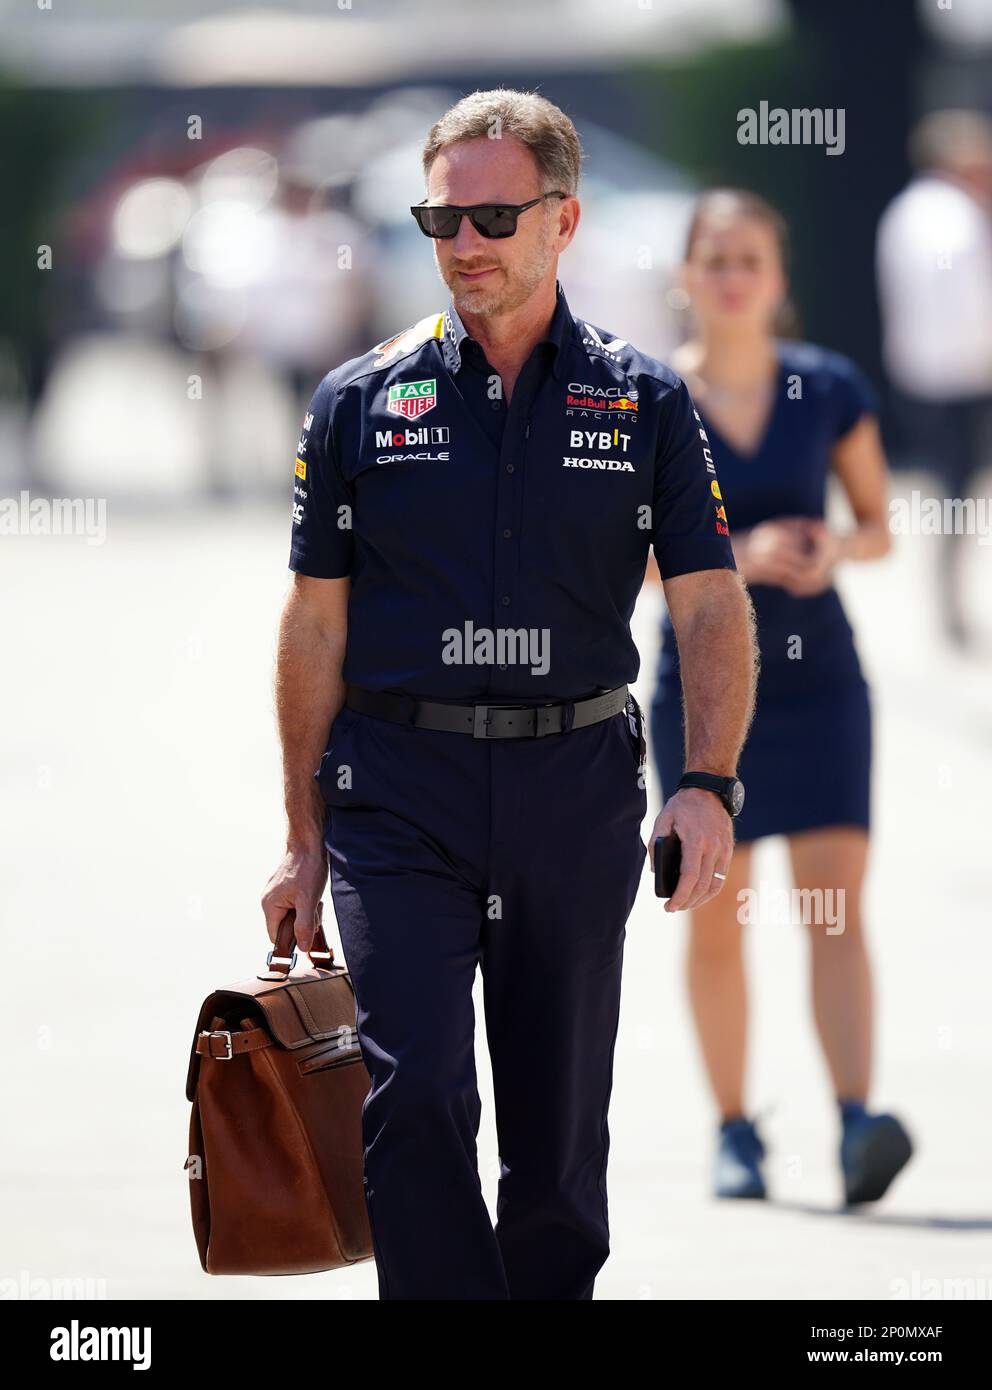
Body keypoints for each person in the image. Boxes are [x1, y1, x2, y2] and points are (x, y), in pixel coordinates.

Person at [262, 91, 757, 1300]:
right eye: (442, 217)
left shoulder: (643, 401)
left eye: (493, 214)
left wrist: (706, 785)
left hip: (573, 793)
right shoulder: (357, 404)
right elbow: (313, 621)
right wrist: (300, 833)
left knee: (554, 1152)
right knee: (415, 1092)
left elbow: (704, 600)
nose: (463, 242)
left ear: (562, 218)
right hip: (398, 794)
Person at [651, 189, 913, 1206]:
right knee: (715, 915)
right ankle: (732, 1129)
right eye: (712, 257)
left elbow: (880, 525)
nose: (729, 274)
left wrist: (829, 547)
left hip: (820, 680)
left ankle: (855, 1122)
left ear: (776, 278)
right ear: (684, 275)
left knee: (835, 905)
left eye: (747, 257)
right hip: (705, 689)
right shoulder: (645, 396)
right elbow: (611, 556)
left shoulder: (828, 387)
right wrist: (730, 558)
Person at [876, 110, 992, 647]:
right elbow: (973, 306)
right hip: (960, 376)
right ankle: (950, 604)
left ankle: (948, 600)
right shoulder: (958, 217)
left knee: (950, 493)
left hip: (924, 375)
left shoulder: (905, 211)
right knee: (957, 495)